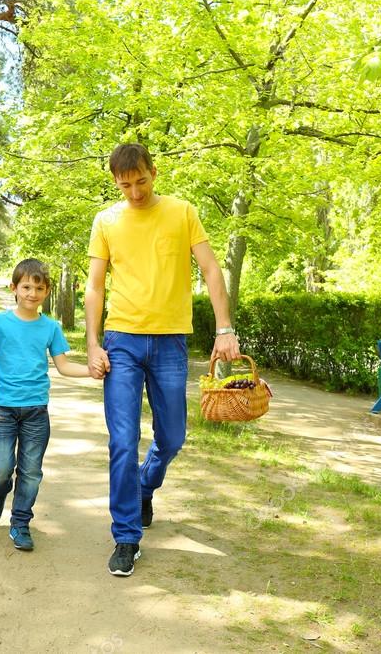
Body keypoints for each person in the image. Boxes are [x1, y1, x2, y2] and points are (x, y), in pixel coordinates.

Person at [85, 143, 240, 576]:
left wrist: (225, 328)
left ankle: (143, 485)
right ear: (116, 182)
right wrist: (93, 343)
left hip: (171, 340)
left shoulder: (182, 212)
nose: (134, 192)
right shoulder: (106, 221)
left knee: (172, 437)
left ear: (154, 172)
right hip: (122, 341)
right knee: (121, 440)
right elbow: (95, 286)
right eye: (125, 185)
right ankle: (126, 537)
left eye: (141, 181)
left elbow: (210, 269)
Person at [0, 259, 101, 551]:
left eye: (39, 288)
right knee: (2, 469)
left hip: (36, 411)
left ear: (47, 291)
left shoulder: (50, 327)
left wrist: (92, 371)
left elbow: (64, 366)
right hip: (4, 409)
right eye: (26, 286)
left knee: (31, 472)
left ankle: (20, 523)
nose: (32, 292)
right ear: (14, 288)